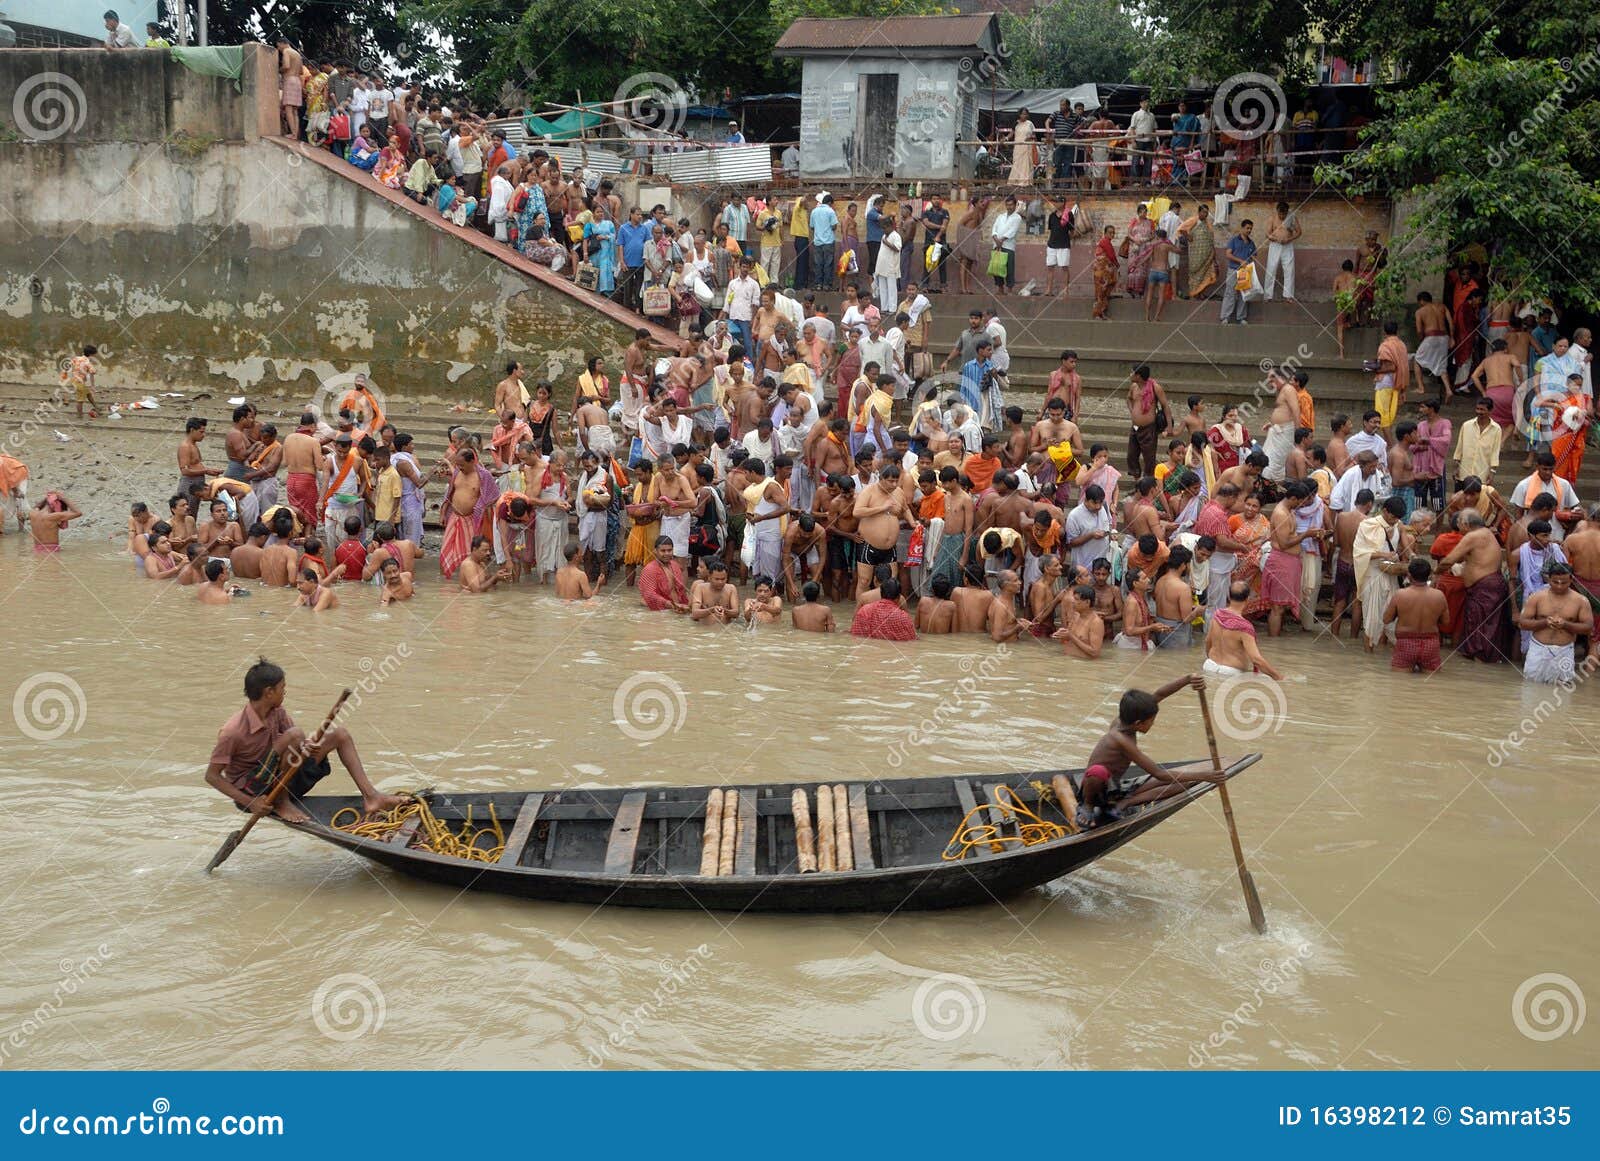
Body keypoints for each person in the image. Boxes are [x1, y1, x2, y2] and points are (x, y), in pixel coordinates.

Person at [204, 658, 409, 825]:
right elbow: (212, 776)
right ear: (269, 692)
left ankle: (371, 797)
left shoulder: (277, 712)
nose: (285, 692)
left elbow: (296, 747)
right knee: (295, 734)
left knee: (340, 734)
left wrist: (307, 747)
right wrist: (251, 803)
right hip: (254, 791)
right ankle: (282, 802)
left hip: (281, 777)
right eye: (282, 688)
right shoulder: (232, 732)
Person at [1077, 675, 1221, 828]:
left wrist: (1187, 679)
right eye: (1151, 721)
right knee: (1097, 771)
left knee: (1185, 784)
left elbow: (1160, 694)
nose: (1153, 724)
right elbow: (1160, 774)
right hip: (1095, 790)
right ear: (1138, 723)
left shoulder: (1123, 721)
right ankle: (1088, 805)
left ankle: (1126, 802)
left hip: (1115, 787)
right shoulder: (1121, 740)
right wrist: (1205, 775)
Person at [1438, 509, 1513, 663]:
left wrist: (1434, 572)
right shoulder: (1486, 533)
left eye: (1459, 522)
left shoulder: (1473, 536)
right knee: (1481, 628)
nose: (1457, 525)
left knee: (1481, 632)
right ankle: (1478, 665)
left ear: (1466, 524)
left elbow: (1449, 560)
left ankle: (1481, 662)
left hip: (1485, 588)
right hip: (1487, 587)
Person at [1518, 564, 1594, 682]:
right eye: (1555, 582)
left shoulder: (1581, 601)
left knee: (1563, 688)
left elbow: (1588, 628)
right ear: (1548, 579)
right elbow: (1522, 623)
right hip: (1538, 649)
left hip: (1565, 651)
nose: (1559, 586)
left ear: (1571, 580)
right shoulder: (1536, 597)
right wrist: (1544, 622)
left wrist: (1566, 625)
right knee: (1531, 687)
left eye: (1564, 583)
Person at [1381, 558, 1450, 672]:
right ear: (1429, 575)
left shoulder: (1400, 595)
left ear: (1409, 575)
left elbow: (1386, 619)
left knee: (1398, 681)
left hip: (1405, 643)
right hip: (1430, 645)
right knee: (1432, 681)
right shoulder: (1439, 595)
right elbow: (1446, 622)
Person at [1204, 582, 1283, 678]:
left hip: (1209, 666)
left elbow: (1207, 641)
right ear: (1248, 599)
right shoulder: (1244, 627)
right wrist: (1279, 677)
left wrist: (1213, 661)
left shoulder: (1217, 615)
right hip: (1230, 673)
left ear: (1228, 596)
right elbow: (1256, 660)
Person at [851, 578, 917, 640]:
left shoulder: (864, 611)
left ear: (881, 593)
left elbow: (855, 634)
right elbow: (911, 640)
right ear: (899, 597)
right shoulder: (904, 618)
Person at [1374, 321, 1411, 433]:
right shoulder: (1402, 345)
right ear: (1397, 331)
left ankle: (1390, 443)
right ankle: (1389, 442)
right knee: (1389, 417)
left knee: (1382, 417)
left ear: (1384, 332)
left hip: (1385, 383)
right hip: (1397, 383)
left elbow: (1390, 366)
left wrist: (1374, 368)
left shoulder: (1385, 345)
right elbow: (1404, 367)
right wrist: (1404, 390)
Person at [1262, 201, 1301, 302]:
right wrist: (1275, 239)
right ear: (1277, 211)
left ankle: (1288, 296)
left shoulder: (1292, 218)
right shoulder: (1272, 218)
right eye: (1280, 214)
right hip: (1275, 245)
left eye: (1284, 214)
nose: (1282, 216)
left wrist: (1289, 239)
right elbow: (1267, 234)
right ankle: (1268, 296)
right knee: (1271, 269)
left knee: (1289, 270)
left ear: (1287, 212)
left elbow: (1299, 232)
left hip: (1288, 245)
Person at [639, 535, 690, 612]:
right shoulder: (649, 569)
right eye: (663, 551)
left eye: (669, 550)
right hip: (660, 611)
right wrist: (673, 605)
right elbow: (650, 595)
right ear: (655, 551)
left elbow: (681, 592)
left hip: (676, 609)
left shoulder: (675, 566)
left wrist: (688, 605)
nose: (667, 553)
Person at [1219, 220, 1256, 324]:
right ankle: (1225, 317)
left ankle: (1241, 317)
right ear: (1242, 228)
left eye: (1251, 228)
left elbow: (1253, 256)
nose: (1249, 230)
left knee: (1243, 294)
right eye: (1247, 228)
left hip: (1245, 272)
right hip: (1233, 270)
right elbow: (1228, 254)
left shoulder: (1251, 243)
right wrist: (1240, 261)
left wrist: (1250, 264)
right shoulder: (1234, 240)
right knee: (1230, 293)